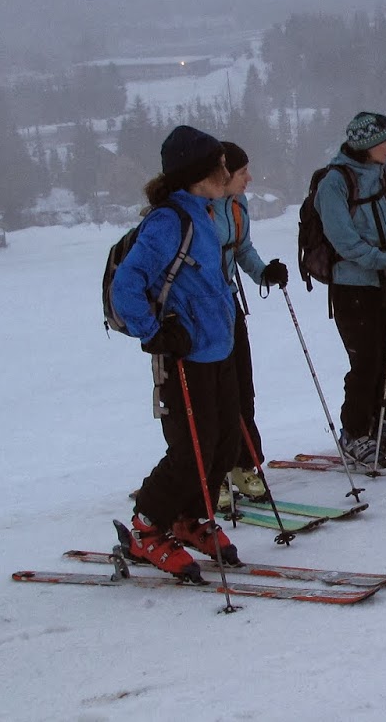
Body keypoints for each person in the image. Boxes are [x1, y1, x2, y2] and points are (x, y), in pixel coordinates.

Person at [111, 125, 242, 582]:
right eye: (221, 165)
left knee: (225, 443)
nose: (228, 171)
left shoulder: (203, 213)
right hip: (185, 356)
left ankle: (188, 517)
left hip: (217, 349)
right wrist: (155, 332)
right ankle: (146, 527)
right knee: (192, 450)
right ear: (198, 173)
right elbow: (126, 285)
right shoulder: (169, 221)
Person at [318, 112, 386, 465]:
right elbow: (343, 240)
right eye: (384, 141)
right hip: (353, 286)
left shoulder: (384, 172)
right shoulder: (334, 182)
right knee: (367, 362)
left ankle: (382, 426)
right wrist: (385, 262)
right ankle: (355, 431)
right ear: (367, 144)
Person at [209, 142, 291, 499]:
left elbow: (242, 248)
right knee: (214, 393)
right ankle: (212, 473)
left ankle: (243, 463)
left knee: (243, 389)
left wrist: (263, 273)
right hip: (202, 311)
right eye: (243, 172)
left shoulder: (237, 204)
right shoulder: (198, 210)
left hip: (229, 304)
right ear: (224, 174)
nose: (250, 178)